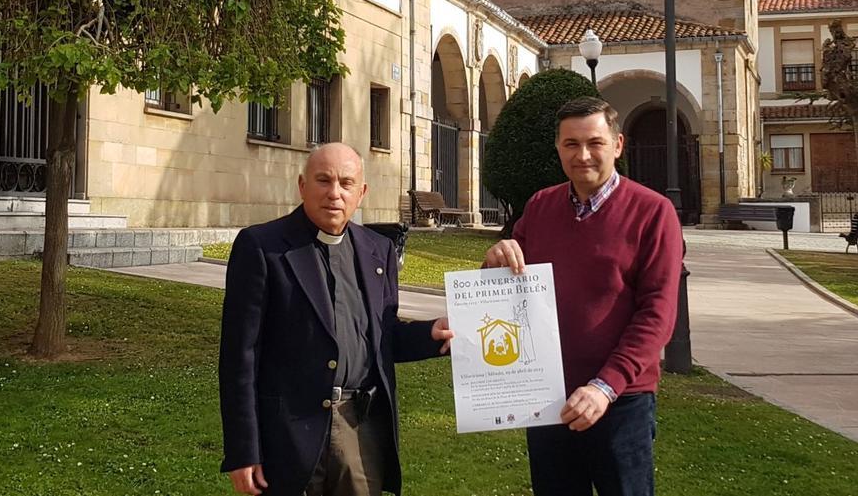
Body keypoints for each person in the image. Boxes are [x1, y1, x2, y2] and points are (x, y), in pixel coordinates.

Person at [219, 142, 453, 496]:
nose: (334, 193)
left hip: (360, 429)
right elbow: (239, 358)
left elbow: (381, 336)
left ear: (361, 193)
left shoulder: (379, 250)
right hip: (288, 434)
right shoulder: (262, 247)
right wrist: (242, 451)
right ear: (302, 186)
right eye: (323, 180)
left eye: (346, 183)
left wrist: (429, 334)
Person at [484, 97, 683, 496]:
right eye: (571, 144)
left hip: (620, 400)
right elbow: (507, 288)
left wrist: (604, 386)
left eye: (594, 142)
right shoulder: (540, 206)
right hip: (548, 396)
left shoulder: (654, 212)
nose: (583, 155)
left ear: (618, 145)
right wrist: (493, 261)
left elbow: (657, 315)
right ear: (558, 148)